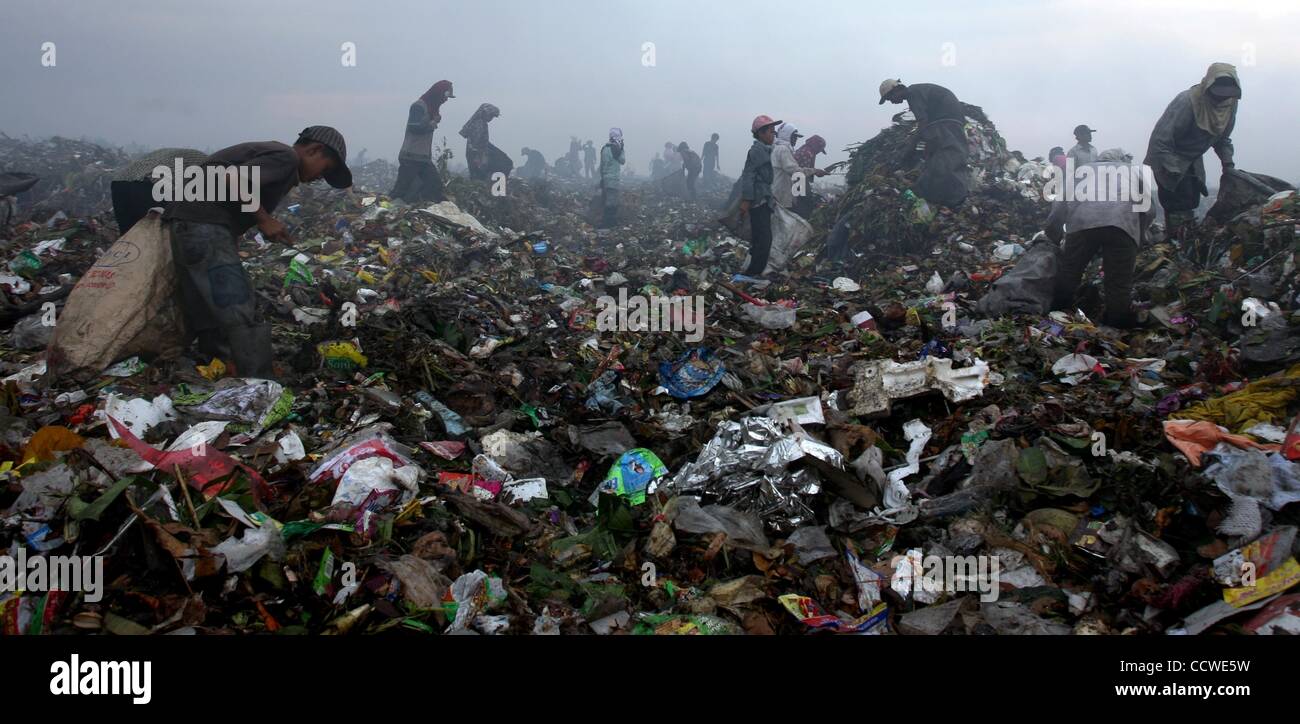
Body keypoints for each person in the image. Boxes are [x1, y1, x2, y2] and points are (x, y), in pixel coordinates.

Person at [163, 126, 351, 378]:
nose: (320, 177)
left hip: (187, 222)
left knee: (204, 303)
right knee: (236, 300)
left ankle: (219, 362)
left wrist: (232, 235)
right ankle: (257, 376)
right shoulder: (286, 157)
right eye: (325, 168)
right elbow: (233, 178)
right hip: (204, 223)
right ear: (314, 149)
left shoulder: (274, 155)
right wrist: (264, 219)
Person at [1045, 149, 1149, 329]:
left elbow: (1060, 204)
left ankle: (1058, 312)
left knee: (1070, 270)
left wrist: (1053, 234)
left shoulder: (1081, 172)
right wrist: (1140, 233)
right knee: (1118, 281)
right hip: (1122, 226)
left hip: (1082, 224)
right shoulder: (1132, 172)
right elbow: (1148, 209)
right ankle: (1116, 324)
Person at [1144, 62, 1241, 232]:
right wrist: (1172, 169)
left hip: (1193, 160)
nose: (1221, 98)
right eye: (1218, 94)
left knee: (1191, 200)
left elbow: (1223, 139)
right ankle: (1176, 241)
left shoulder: (1230, 105)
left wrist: (1228, 165)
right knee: (1177, 203)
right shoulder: (1187, 101)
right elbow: (1160, 140)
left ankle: (1186, 238)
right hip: (1168, 156)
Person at [879, 79, 971, 207]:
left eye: (890, 98)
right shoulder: (917, 91)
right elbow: (926, 125)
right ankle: (945, 196)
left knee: (948, 160)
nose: (892, 102)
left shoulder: (912, 93)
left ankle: (954, 200)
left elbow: (923, 123)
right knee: (940, 158)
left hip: (946, 121)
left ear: (897, 89)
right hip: (950, 120)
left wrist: (910, 148)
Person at [110, 147, 207, 234]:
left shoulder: (200, 160)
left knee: (127, 235)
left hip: (121, 180)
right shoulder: (210, 168)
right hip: (149, 184)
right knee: (157, 235)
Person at [392, 80, 453, 203]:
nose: (445, 100)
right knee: (401, 191)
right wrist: (433, 122)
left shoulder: (433, 109)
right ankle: (384, 212)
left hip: (423, 158)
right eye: (445, 97)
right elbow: (414, 127)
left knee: (435, 187)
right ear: (438, 93)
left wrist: (434, 120)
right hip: (410, 157)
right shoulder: (419, 106)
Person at [737, 114, 781, 280]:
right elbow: (748, 175)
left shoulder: (765, 149)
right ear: (761, 133)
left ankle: (753, 270)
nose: (773, 134)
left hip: (763, 197)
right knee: (764, 238)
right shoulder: (757, 151)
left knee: (760, 236)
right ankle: (754, 272)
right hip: (758, 199)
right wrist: (747, 200)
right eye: (770, 131)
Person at [771, 123, 825, 209]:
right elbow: (797, 174)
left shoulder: (778, 148)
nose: (796, 140)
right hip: (783, 194)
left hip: (782, 192)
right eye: (794, 137)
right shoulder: (785, 150)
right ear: (787, 135)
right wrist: (815, 171)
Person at [460, 103, 511, 180]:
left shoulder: (480, 123)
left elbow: (483, 142)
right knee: (505, 163)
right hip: (477, 156)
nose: (491, 118)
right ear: (485, 113)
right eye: (491, 116)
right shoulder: (479, 124)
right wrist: (480, 158)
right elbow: (476, 144)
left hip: (478, 155)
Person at [791, 133, 828, 218]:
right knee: (802, 210)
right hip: (796, 186)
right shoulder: (807, 153)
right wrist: (808, 199)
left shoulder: (804, 150)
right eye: (819, 149)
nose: (819, 152)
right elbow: (800, 176)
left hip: (795, 186)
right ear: (815, 146)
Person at [598, 128, 625, 229]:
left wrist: (603, 178)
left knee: (608, 200)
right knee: (612, 202)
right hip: (614, 179)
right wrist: (622, 149)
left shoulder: (605, 148)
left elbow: (602, 165)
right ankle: (607, 224)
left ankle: (608, 222)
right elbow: (622, 160)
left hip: (606, 178)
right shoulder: (616, 149)